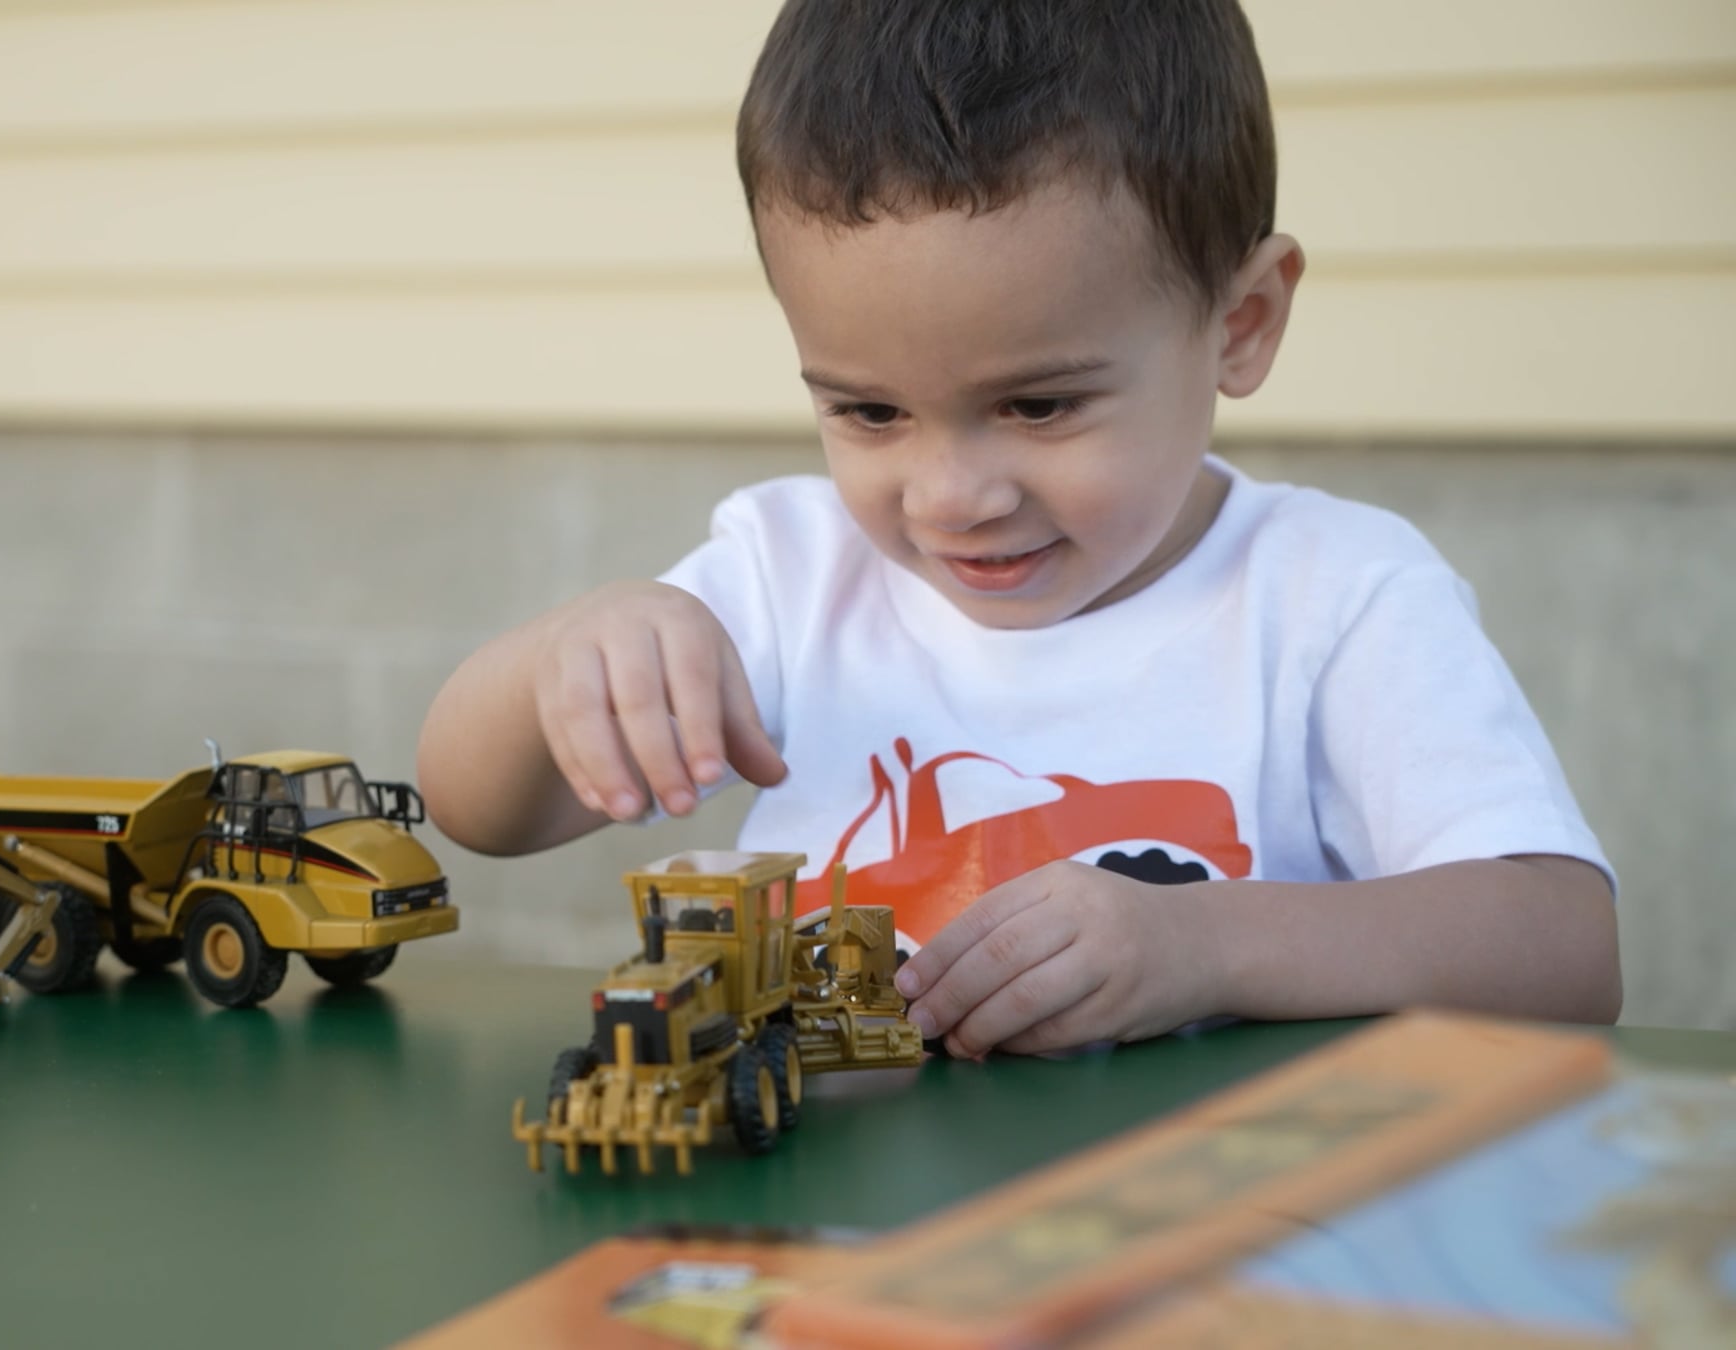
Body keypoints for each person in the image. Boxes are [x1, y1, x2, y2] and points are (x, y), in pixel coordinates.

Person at [416, 0, 1620, 1058]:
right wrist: (576, 653)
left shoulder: (1330, 596)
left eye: (1038, 405)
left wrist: (1204, 943)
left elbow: (1564, 950)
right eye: (868, 410)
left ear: (1240, 323)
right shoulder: (788, 580)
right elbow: (480, 811)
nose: (950, 497)